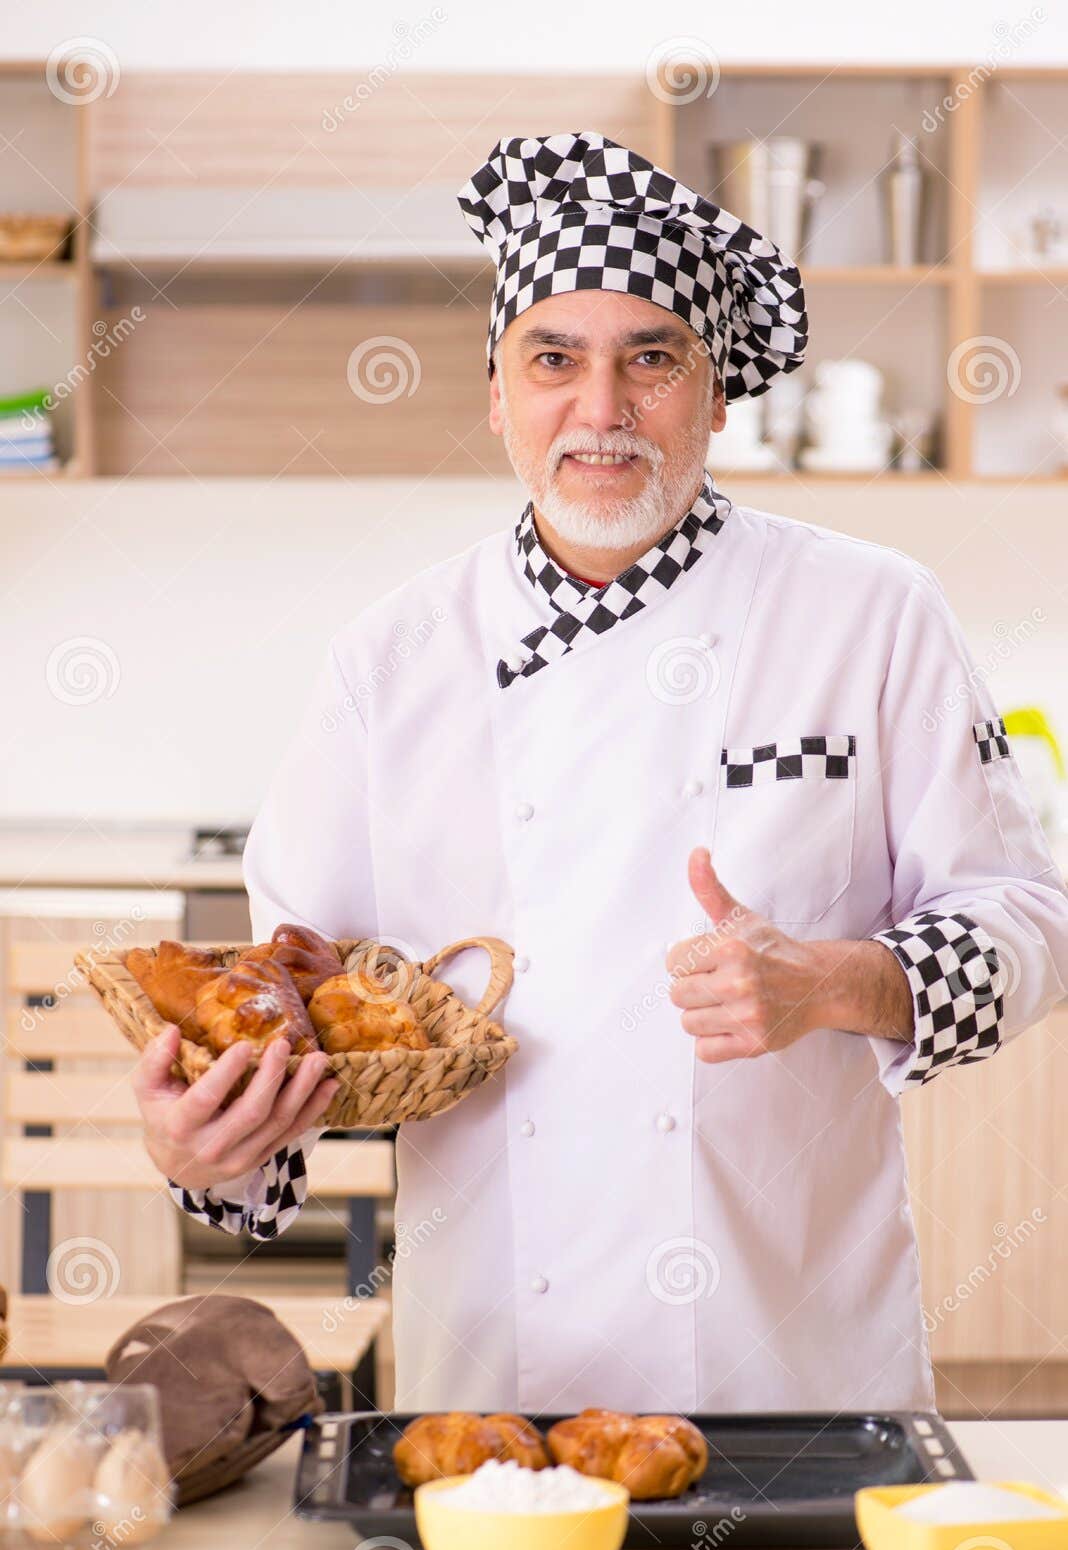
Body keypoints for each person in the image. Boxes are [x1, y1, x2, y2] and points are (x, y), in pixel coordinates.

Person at [134, 132, 1068, 1414]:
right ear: (500, 391)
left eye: (654, 360)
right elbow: (285, 1008)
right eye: (555, 360)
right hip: (499, 1390)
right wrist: (211, 1152)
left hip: (794, 1368)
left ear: (720, 391)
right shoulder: (395, 659)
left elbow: (1028, 920)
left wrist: (849, 979)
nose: (603, 408)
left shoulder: (872, 614)